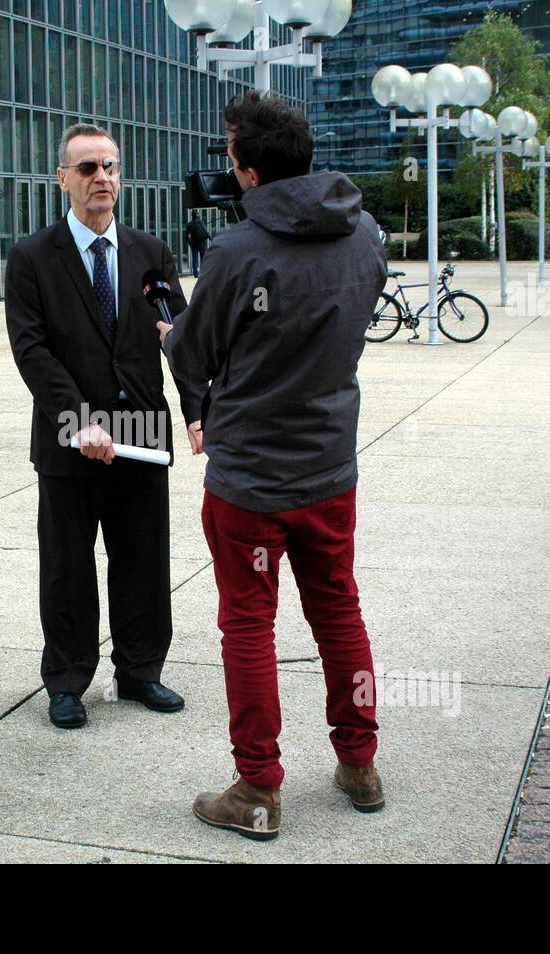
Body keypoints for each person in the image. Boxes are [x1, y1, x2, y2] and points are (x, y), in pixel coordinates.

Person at [158, 92, 389, 841]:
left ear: (249, 170)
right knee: (339, 611)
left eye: (231, 158)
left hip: (251, 479)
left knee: (249, 626)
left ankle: (258, 788)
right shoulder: (366, 236)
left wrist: (173, 332)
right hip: (329, 469)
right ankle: (359, 764)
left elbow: (195, 355)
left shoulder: (235, 250)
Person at [5, 122, 201, 730]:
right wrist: (81, 420)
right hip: (71, 436)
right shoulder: (33, 258)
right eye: (88, 168)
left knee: (143, 560)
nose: (102, 179)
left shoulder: (151, 254)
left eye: (111, 167)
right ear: (63, 179)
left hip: (142, 431)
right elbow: (32, 351)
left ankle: (140, 671)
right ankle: (66, 680)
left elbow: (181, 335)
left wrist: (197, 409)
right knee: (67, 565)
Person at [186, 211, 211, 276]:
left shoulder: (190, 224)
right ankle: (203, 272)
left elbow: (186, 235)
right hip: (202, 243)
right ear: (198, 215)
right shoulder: (201, 222)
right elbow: (206, 232)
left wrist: (190, 243)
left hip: (194, 243)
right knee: (203, 258)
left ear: (192, 216)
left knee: (195, 258)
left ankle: (195, 273)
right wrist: (211, 239)